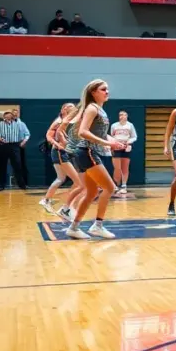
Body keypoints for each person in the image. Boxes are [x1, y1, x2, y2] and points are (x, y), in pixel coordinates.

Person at [67, 80, 124, 239]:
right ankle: (98, 225)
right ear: (93, 92)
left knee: (92, 192)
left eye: (107, 89)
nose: (107, 92)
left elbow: (100, 133)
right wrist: (107, 143)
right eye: (103, 89)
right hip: (87, 151)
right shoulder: (92, 108)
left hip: (86, 152)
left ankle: (74, 227)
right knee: (110, 188)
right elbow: (83, 132)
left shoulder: (100, 109)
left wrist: (114, 141)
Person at [40, 103, 83, 214]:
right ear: (64, 109)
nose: (72, 107)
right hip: (60, 152)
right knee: (79, 182)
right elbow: (49, 135)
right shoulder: (59, 121)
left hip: (63, 152)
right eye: (69, 106)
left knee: (61, 178)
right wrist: (57, 143)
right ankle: (67, 208)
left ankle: (47, 200)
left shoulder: (71, 121)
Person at [0, 110, 27, 191]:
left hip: (14, 145)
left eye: (9, 116)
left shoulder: (18, 124)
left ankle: (21, 185)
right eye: (5, 116)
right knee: (2, 166)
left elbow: (26, 134)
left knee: (17, 165)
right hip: (3, 145)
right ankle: (1, 185)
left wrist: (23, 141)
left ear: (12, 117)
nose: (7, 117)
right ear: (3, 117)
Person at [110, 111, 137, 195]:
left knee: (125, 168)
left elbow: (134, 136)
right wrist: (113, 145)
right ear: (118, 117)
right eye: (121, 115)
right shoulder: (114, 125)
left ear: (127, 116)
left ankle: (124, 186)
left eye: (124, 115)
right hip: (116, 147)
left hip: (126, 147)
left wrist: (129, 142)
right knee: (117, 168)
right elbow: (111, 136)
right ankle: (116, 185)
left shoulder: (130, 125)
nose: (122, 116)